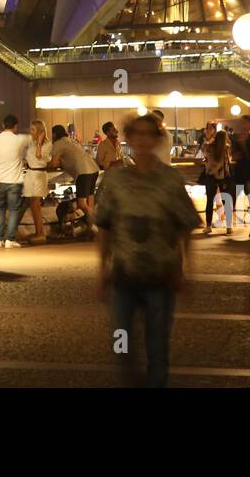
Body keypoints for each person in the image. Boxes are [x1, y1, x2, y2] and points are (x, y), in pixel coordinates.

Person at [94, 112, 200, 387]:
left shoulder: (170, 180)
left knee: (158, 346)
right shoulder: (116, 181)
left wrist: (184, 269)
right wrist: (101, 271)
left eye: (148, 134)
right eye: (137, 133)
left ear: (157, 139)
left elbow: (184, 227)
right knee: (122, 344)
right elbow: (104, 227)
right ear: (128, 138)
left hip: (161, 274)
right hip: (123, 273)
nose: (142, 139)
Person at [0, 115, 30, 248]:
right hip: (15, 180)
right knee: (13, 210)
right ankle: (9, 239)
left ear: (3, 125)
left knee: (0, 209)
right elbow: (35, 139)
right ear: (15, 126)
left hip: (0, 179)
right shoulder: (20, 139)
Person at [53, 124, 100, 228]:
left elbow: (53, 164)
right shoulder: (71, 140)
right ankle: (90, 228)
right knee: (90, 201)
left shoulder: (58, 143)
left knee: (82, 204)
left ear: (54, 134)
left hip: (83, 171)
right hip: (94, 169)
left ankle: (96, 226)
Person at [23, 120, 52, 242]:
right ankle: (38, 232)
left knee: (36, 204)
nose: (31, 131)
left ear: (40, 131)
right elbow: (28, 158)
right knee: (33, 204)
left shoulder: (47, 144)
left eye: (33, 129)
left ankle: (40, 233)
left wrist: (40, 143)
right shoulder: (31, 143)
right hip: (30, 173)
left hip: (39, 174)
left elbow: (40, 156)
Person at [200, 131, 234, 235]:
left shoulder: (209, 147)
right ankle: (229, 227)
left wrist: (210, 138)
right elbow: (230, 159)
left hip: (211, 177)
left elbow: (203, 149)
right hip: (223, 178)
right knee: (226, 201)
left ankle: (208, 226)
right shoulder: (227, 148)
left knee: (210, 201)